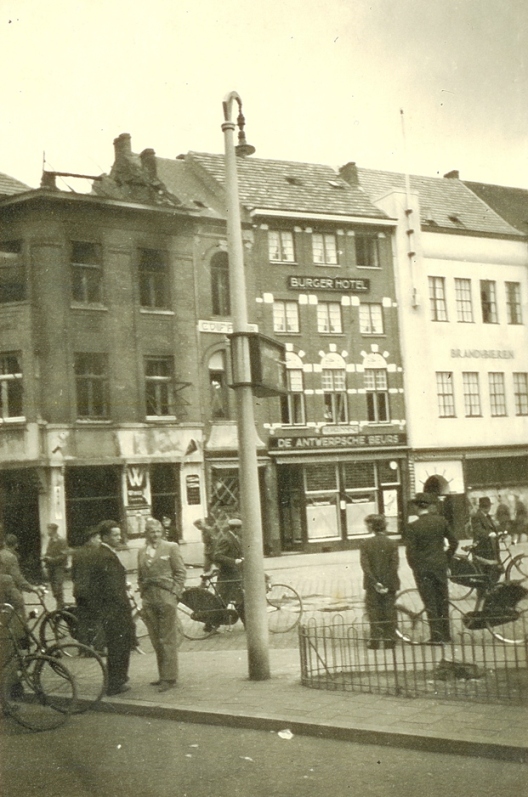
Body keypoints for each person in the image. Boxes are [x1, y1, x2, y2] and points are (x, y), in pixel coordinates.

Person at [137, 518, 186, 693]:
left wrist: (175, 593)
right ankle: (162, 675)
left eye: (158, 531)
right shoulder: (141, 551)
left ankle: (169, 678)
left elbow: (180, 572)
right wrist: (143, 593)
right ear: (146, 533)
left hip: (166, 597)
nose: (156, 535)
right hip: (149, 599)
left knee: (167, 638)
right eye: (152, 532)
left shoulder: (171, 547)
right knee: (156, 638)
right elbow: (140, 575)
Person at [405, 492, 458, 645]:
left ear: (417, 507)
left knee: (430, 602)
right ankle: (446, 635)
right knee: (443, 600)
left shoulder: (413, 526)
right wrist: (445, 558)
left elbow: (410, 553)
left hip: (423, 570)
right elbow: (454, 542)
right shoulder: (441, 521)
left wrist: (415, 567)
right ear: (428, 506)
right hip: (440, 566)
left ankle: (436, 637)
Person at [91, 520, 134, 696]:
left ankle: (116, 680)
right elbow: (112, 588)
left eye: (119, 534)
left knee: (117, 646)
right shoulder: (106, 556)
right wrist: (124, 607)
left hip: (110, 609)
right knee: (118, 647)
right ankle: (115, 683)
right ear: (105, 537)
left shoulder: (104, 553)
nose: (119, 538)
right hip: (116, 610)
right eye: (115, 535)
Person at [360, 514, 400, 650]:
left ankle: (375, 641)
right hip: (390, 584)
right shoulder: (392, 543)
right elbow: (394, 565)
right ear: (384, 527)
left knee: (373, 611)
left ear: (372, 528)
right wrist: (386, 583)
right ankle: (390, 640)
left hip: (372, 585)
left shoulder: (365, 544)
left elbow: (365, 566)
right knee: (389, 610)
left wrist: (376, 582)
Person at [70, 526, 103, 650]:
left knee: (82, 620)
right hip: (93, 592)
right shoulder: (98, 552)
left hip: (79, 591)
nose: (100, 541)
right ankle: (98, 647)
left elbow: (73, 574)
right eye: (98, 538)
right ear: (92, 538)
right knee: (98, 619)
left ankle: (83, 648)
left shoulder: (77, 552)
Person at [213, 517, 244, 627]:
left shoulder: (234, 538)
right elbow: (217, 556)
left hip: (233, 575)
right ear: (236, 529)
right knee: (224, 601)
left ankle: (249, 625)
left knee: (238, 600)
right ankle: (210, 625)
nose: (242, 531)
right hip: (227, 575)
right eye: (241, 529)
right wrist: (234, 561)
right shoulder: (226, 539)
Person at [471, 496, 502, 596]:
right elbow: (478, 530)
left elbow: (492, 527)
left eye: (488, 506)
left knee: (493, 568)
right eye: (487, 507)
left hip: (490, 546)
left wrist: (498, 532)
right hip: (482, 547)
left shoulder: (486, 516)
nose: (488, 508)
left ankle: (489, 588)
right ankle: (482, 592)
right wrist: (489, 534)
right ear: (483, 507)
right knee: (483, 569)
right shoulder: (476, 516)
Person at [42, 523, 69, 610]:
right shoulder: (50, 540)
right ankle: (60, 605)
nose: (47, 531)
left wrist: (52, 559)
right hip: (51, 568)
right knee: (54, 589)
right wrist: (45, 557)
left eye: (49, 529)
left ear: (54, 530)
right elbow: (49, 552)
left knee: (58, 588)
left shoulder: (61, 541)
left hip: (59, 568)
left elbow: (64, 555)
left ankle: (60, 608)